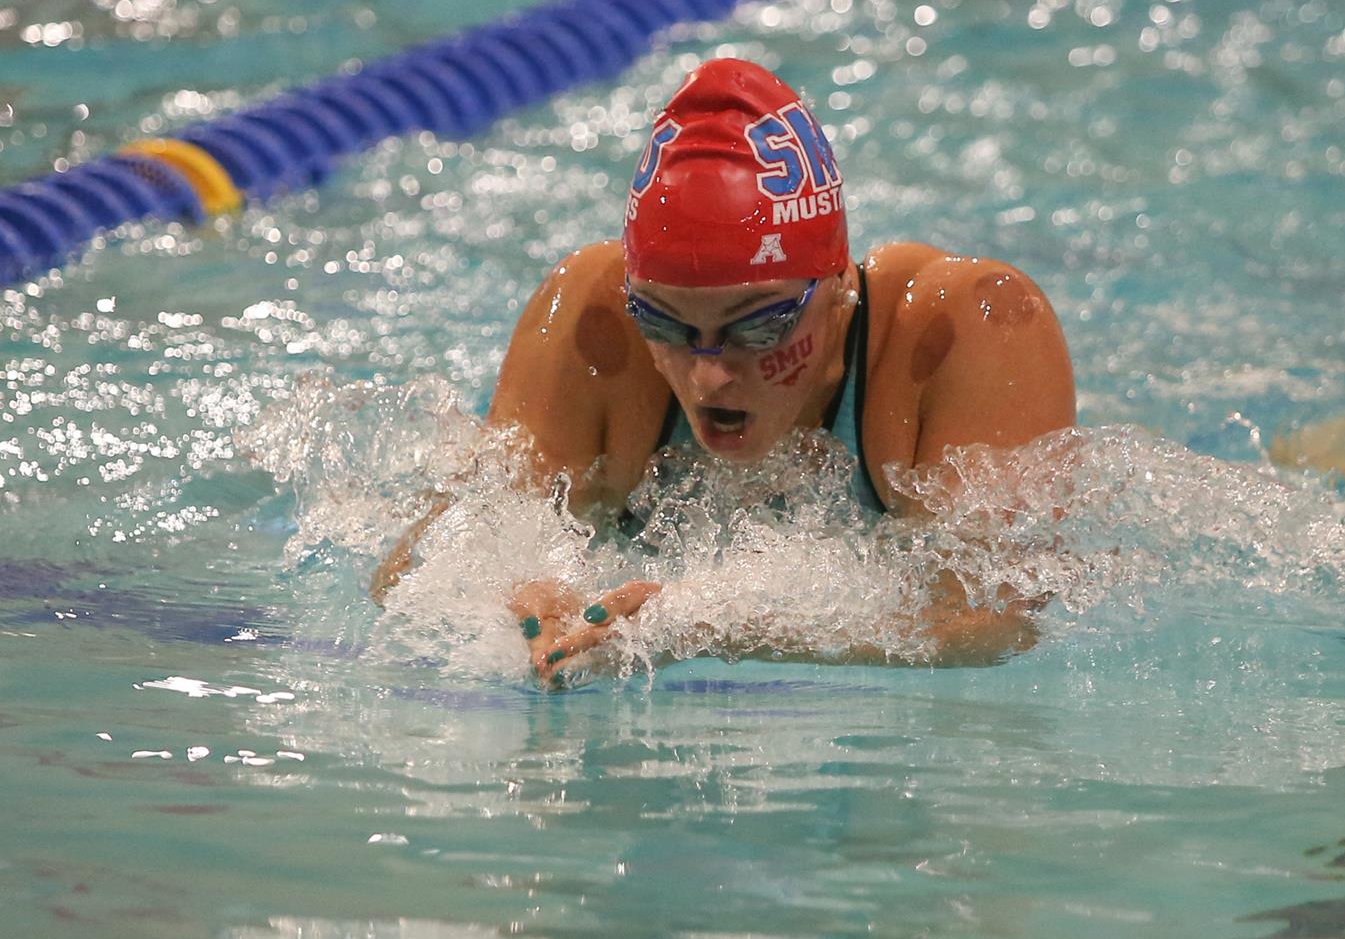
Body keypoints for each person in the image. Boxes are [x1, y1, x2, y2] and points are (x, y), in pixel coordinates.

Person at [374, 58, 1077, 682]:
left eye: (758, 327)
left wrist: (719, 625)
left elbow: (994, 624)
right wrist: (512, 593)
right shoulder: (596, 330)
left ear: (838, 284)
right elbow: (409, 573)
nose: (707, 377)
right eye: (664, 324)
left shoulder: (960, 331)